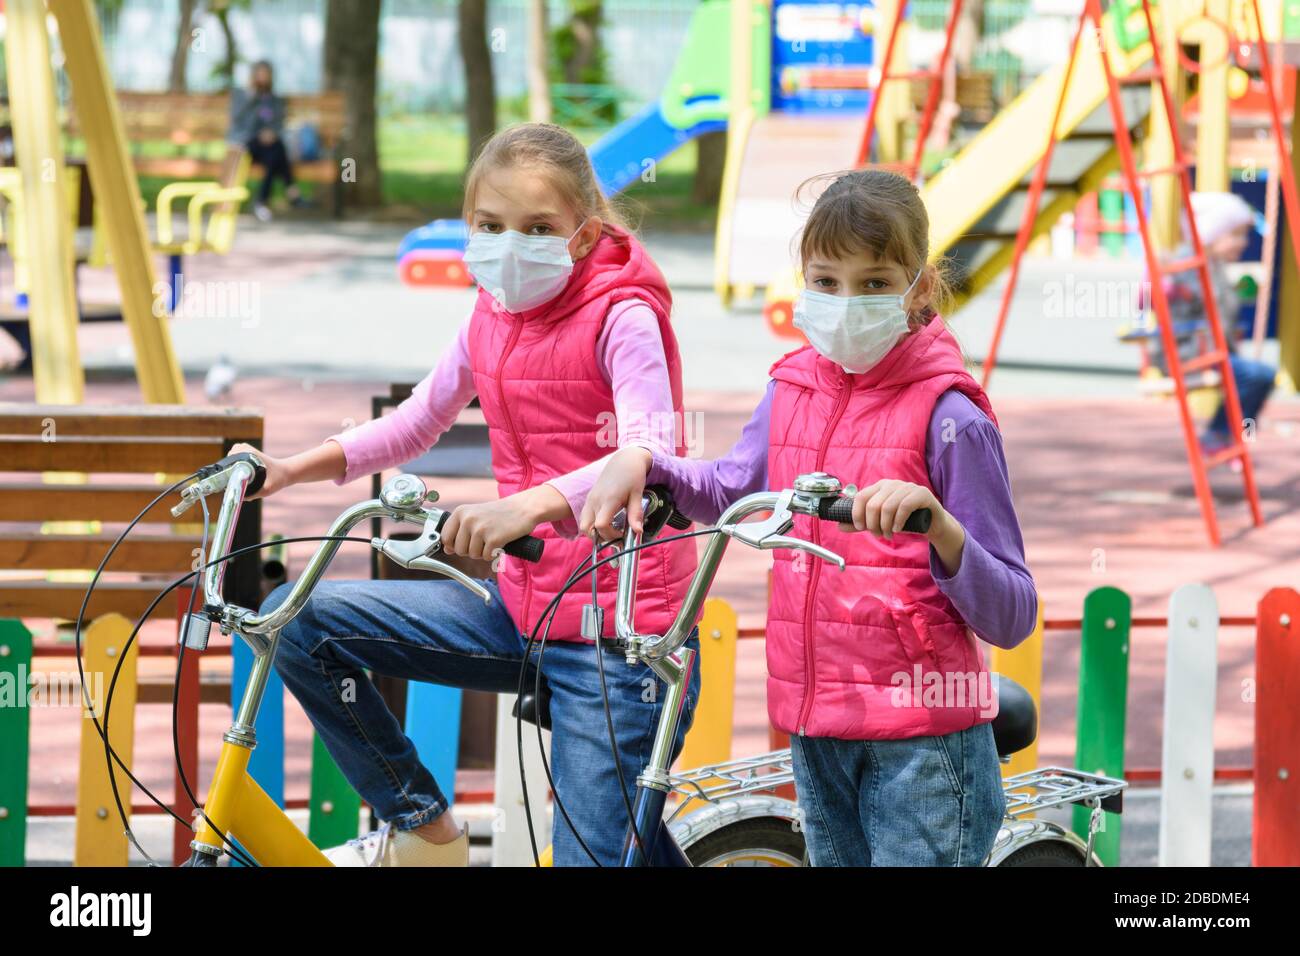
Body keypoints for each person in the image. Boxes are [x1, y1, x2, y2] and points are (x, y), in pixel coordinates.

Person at [232, 124, 700, 866]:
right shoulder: (490, 313)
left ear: (582, 234)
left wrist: (527, 506)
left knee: (592, 853)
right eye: (489, 226)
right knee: (298, 623)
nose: (509, 245)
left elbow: (649, 450)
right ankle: (423, 824)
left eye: (537, 228)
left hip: (621, 638)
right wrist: (291, 468)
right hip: (522, 608)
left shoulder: (624, 315)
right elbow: (419, 419)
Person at [582, 168, 1039, 866]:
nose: (846, 302)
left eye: (875, 282)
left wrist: (941, 528)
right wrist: (648, 464)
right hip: (817, 729)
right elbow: (729, 488)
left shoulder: (951, 417)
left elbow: (1011, 614)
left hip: (923, 742)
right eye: (825, 282)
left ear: (919, 289)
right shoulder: (790, 387)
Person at [1162, 191, 1277, 456]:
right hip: (1189, 352)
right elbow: (1184, 303)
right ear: (1211, 233)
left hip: (1209, 351)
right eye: (1234, 235)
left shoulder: (1211, 266)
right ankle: (1221, 433)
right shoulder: (1188, 265)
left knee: (1261, 376)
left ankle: (1228, 432)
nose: (1242, 243)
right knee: (1257, 375)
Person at [228, 60, 308, 221]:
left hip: (268, 145)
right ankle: (290, 193)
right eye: (260, 74)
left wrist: (270, 133)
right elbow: (238, 120)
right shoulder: (242, 95)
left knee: (274, 152)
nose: (263, 78)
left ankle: (261, 202)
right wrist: (252, 98)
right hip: (246, 143)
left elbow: (278, 123)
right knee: (277, 152)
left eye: (266, 75)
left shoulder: (274, 99)